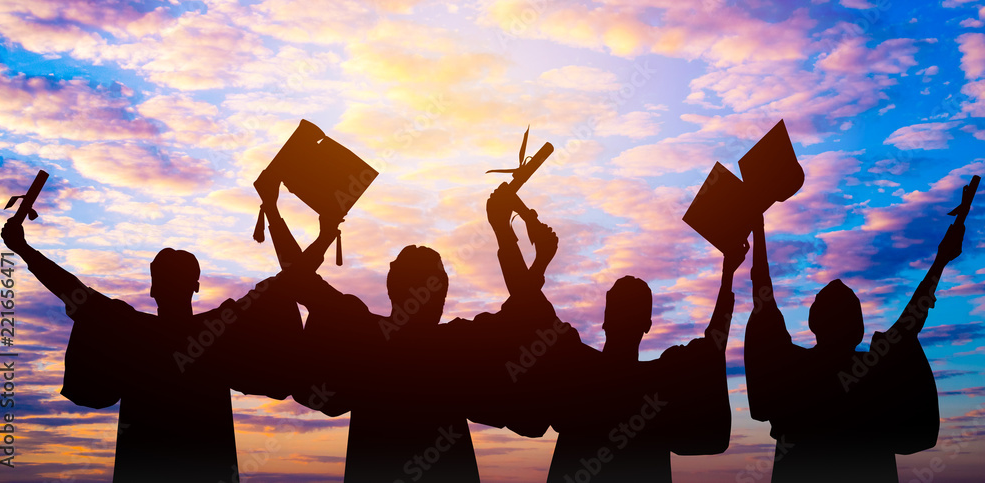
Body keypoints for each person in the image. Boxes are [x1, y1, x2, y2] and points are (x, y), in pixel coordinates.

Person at [260, 180, 561, 482]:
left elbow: (298, 278)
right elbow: (524, 310)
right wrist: (508, 235)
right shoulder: (456, 346)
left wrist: (276, 211)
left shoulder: (365, 336)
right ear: (443, 291)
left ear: (391, 288)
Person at [1, 218, 298, 483]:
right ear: (196, 286)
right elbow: (286, 283)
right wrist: (280, 215)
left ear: (153, 288)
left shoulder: (131, 330)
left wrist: (24, 248)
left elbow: (73, 291)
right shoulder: (219, 329)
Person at [483, 183, 744, 482]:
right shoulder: (660, 384)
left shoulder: (576, 369)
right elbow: (713, 345)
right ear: (648, 325)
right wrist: (728, 272)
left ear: (604, 320)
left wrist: (505, 230)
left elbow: (527, 301)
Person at [744, 181, 972, 483]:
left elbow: (762, 296)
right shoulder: (872, 370)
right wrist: (941, 260)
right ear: (859, 327)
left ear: (813, 323)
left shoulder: (793, 372)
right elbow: (911, 321)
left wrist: (757, 225)